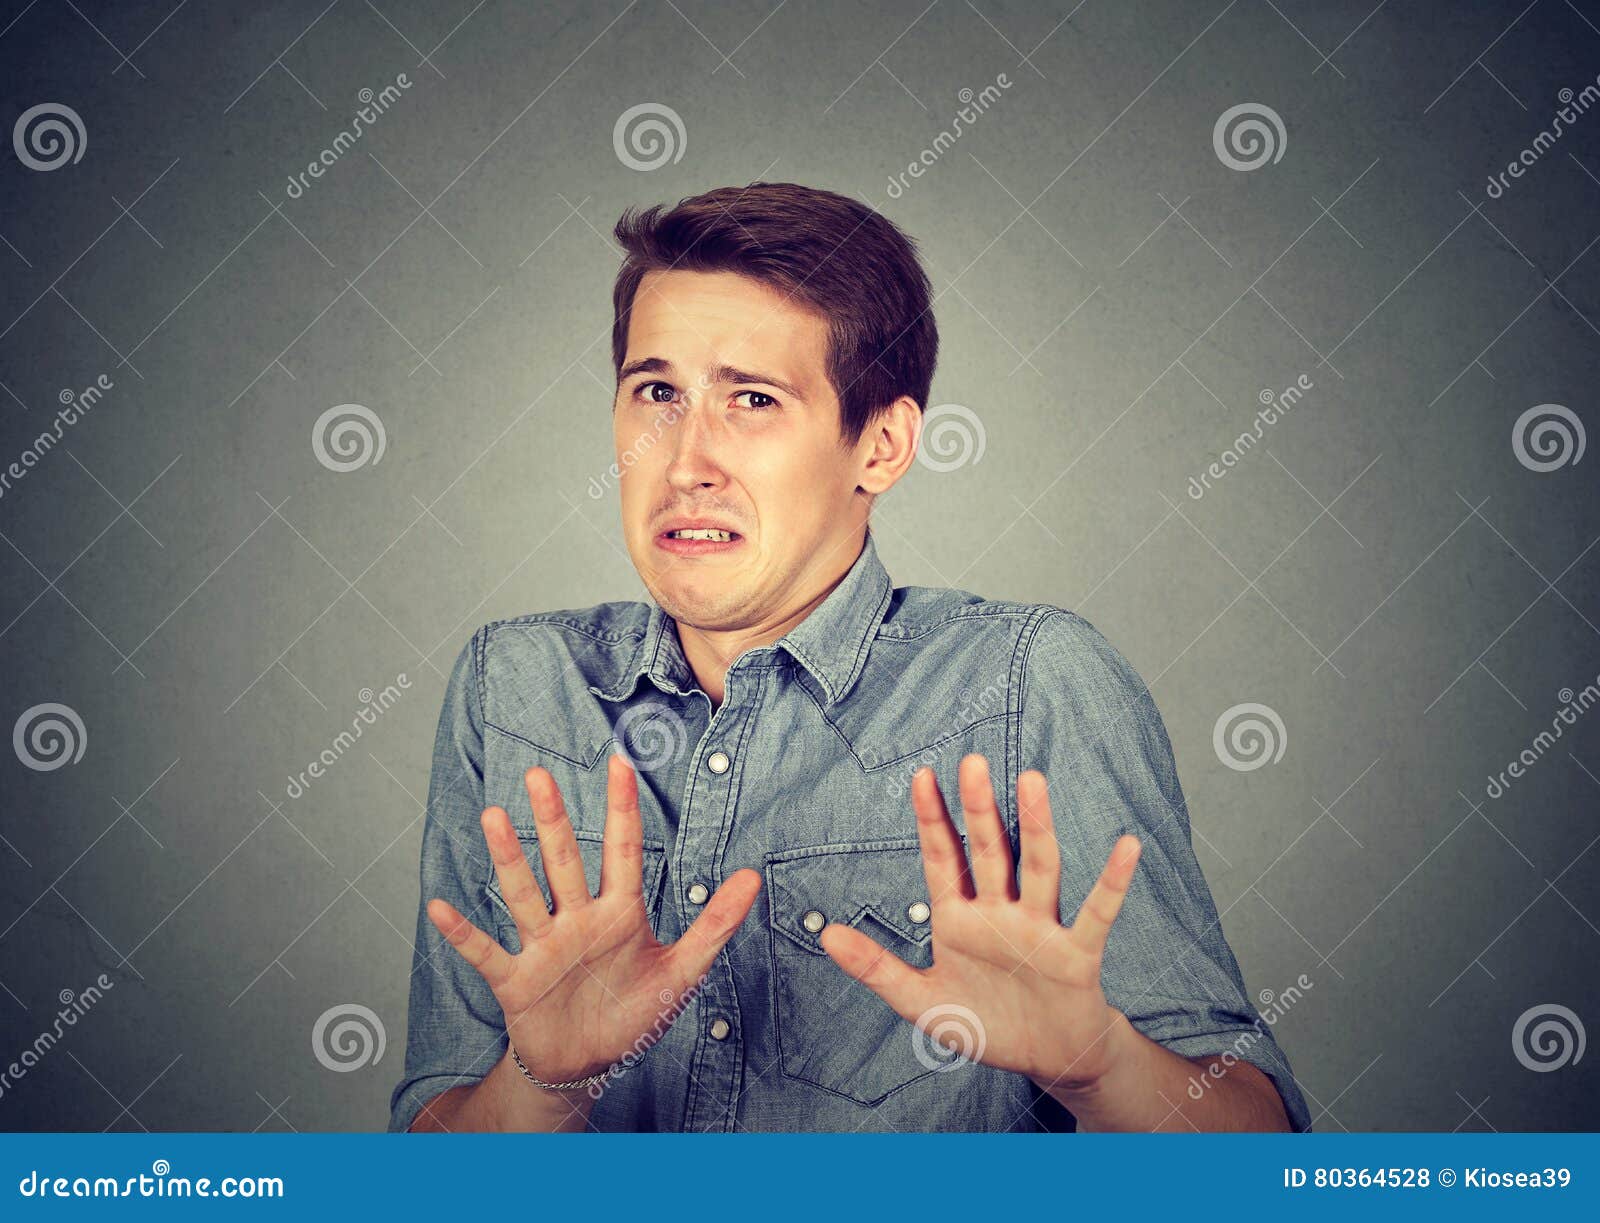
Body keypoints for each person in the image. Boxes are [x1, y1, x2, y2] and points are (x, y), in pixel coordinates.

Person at [388, 182, 1310, 1133]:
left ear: (881, 444)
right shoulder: (513, 687)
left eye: (752, 398)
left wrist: (1096, 1064)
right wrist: (543, 1085)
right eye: (656, 392)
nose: (686, 461)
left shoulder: (1032, 684)